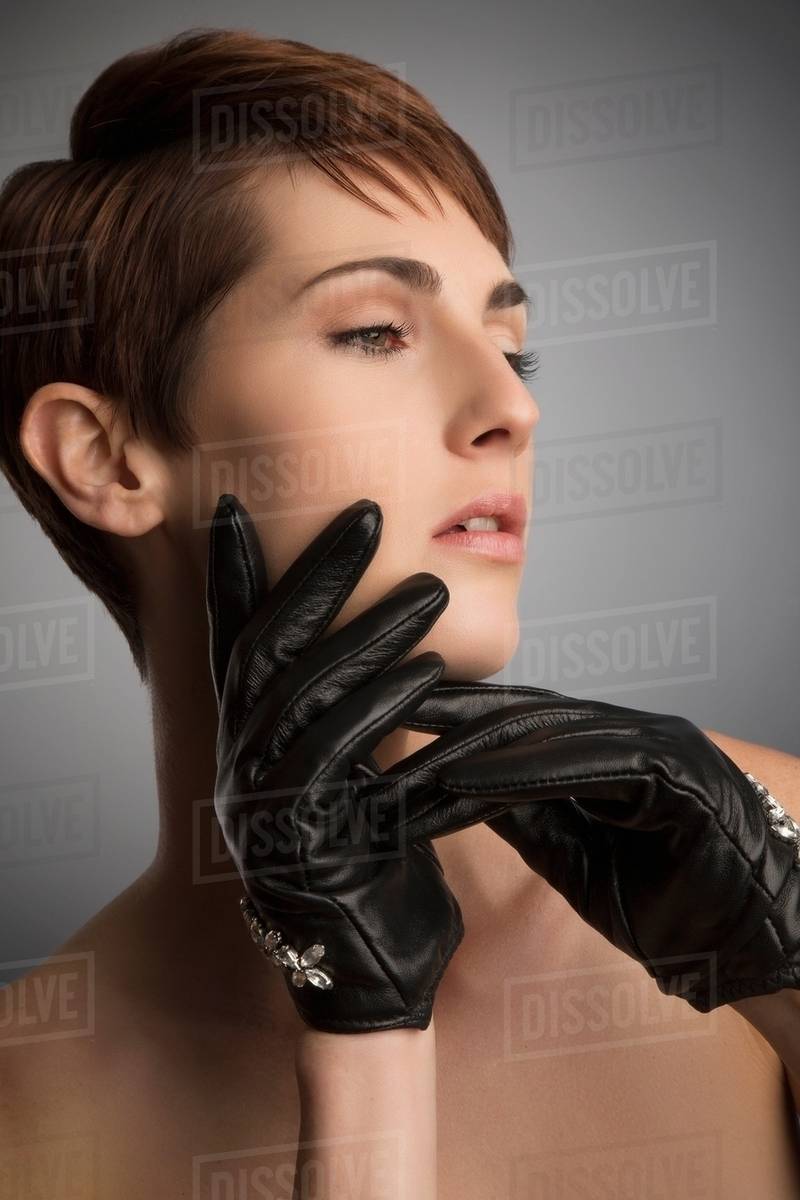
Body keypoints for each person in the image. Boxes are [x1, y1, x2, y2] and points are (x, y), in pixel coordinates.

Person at [1, 28, 799, 1198]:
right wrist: (364, 1038)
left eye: (514, 351)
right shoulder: (28, 1114)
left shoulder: (773, 849)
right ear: (107, 459)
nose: (505, 413)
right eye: (375, 330)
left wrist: (781, 976)